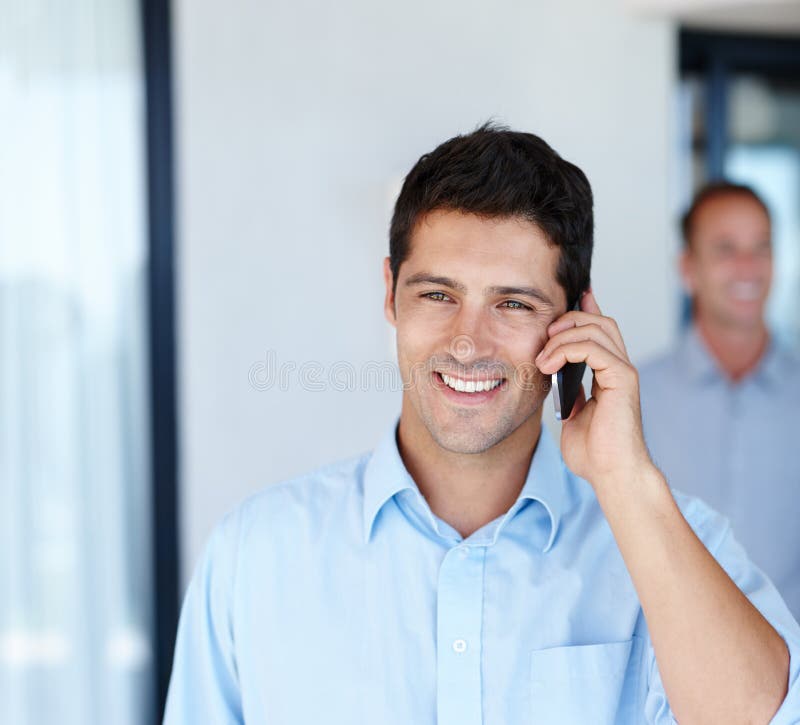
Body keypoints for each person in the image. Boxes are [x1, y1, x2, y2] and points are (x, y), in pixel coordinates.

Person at [163, 126, 800, 725]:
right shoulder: (254, 554)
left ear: (576, 320)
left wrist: (625, 480)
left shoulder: (679, 544)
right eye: (438, 295)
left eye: (514, 304)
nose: (468, 343)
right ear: (390, 294)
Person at [639, 182, 800, 623]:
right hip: (670, 671)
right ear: (688, 269)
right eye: (726, 249)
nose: (747, 267)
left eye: (761, 247)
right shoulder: (635, 397)